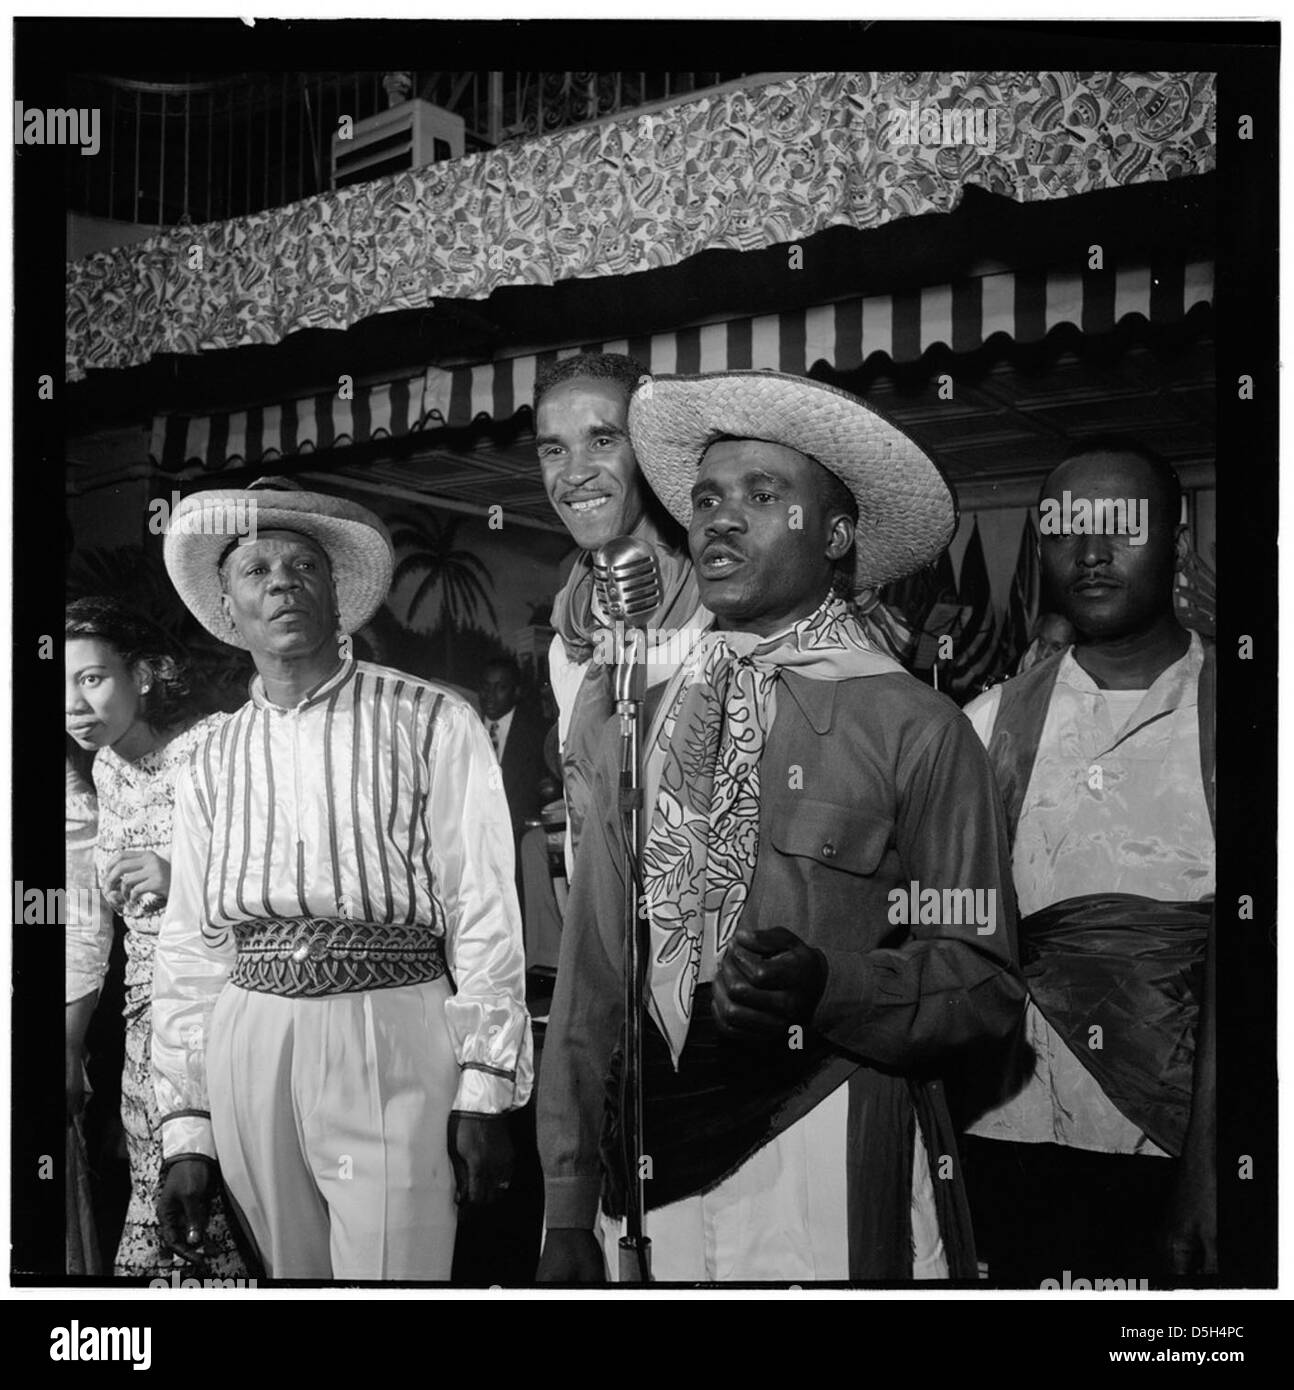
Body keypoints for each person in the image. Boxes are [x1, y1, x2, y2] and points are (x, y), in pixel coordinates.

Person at [537, 370, 1025, 1282]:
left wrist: (829, 987)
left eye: (764, 496)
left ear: (835, 535)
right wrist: (566, 1198)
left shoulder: (916, 726)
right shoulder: (632, 718)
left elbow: (983, 986)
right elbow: (594, 975)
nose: (719, 519)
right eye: (708, 497)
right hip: (647, 1155)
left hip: (823, 1126)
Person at [151, 477, 533, 1280]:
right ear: (228, 607)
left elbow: (485, 909)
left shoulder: (432, 719)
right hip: (248, 1037)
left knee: (396, 1273)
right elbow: (189, 944)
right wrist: (187, 1124)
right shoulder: (207, 755)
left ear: (337, 593)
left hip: (393, 1029)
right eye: (256, 570)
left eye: (303, 566)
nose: (282, 581)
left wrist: (484, 1083)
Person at [960, 437, 1216, 1286]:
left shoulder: (1251, 719)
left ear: (1178, 545)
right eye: (1069, 527)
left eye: (1123, 526)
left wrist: (1211, 1172)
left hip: (1184, 1149)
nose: (1093, 551)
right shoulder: (985, 724)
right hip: (1007, 1141)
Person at [65, 597, 247, 1280]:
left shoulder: (212, 747)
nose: (75, 706)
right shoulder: (106, 769)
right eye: (61, 688)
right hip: (144, 1020)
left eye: (92, 678)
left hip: (221, 1007)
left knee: (218, 1202)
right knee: (158, 1199)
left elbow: (278, 870)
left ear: (143, 675)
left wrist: (181, 878)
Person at [534, 352, 707, 875]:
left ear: (648, 451)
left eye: (603, 441)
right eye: (554, 450)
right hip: (602, 915)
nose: (576, 473)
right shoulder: (570, 632)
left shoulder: (717, 608)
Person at [478, 655, 549, 845]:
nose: (490, 695)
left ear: (516, 692)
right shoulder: (466, 728)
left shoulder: (538, 735)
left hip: (519, 843)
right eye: (485, 687)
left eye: (500, 687)